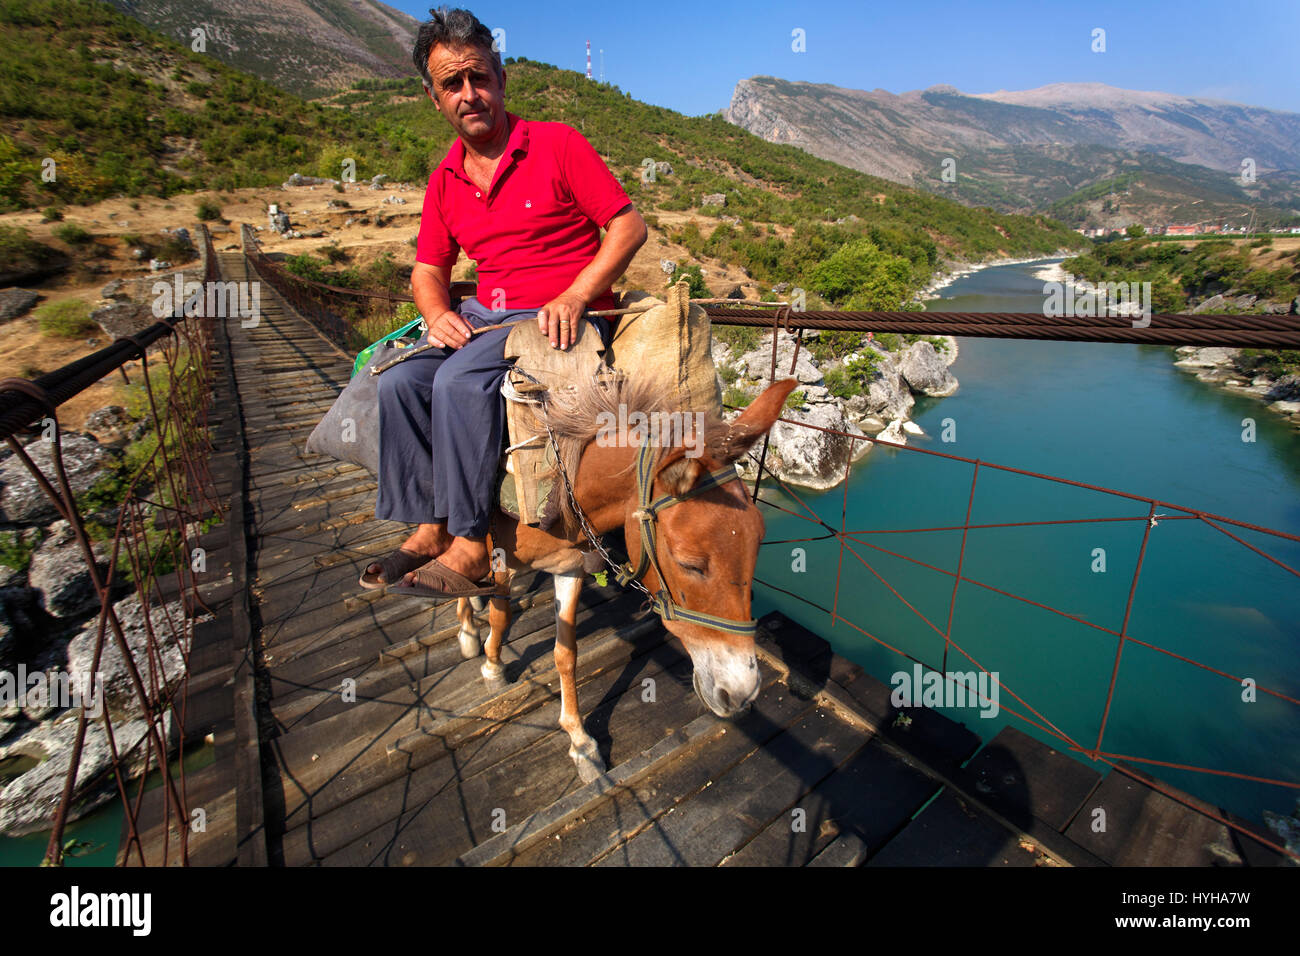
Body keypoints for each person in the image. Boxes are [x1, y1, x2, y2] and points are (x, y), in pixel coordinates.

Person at [361, 7, 647, 597]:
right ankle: (429, 525)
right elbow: (427, 268)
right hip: (488, 317)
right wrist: (438, 313)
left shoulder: (556, 144)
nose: (469, 94)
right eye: (452, 84)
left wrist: (575, 294)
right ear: (433, 97)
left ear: (501, 78)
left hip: (562, 316)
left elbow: (627, 226)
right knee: (397, 381)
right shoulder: (444, 179)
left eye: (479, 77)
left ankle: (470, 544)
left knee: (457, 382)